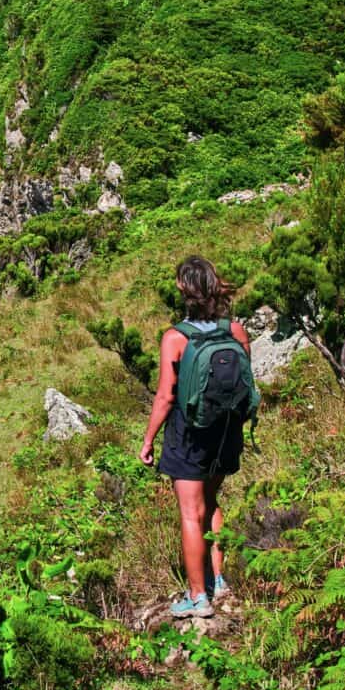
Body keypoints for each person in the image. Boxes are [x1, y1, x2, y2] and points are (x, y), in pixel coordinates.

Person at [139, 255, 252, 619]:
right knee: (212, 500)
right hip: (226, 432)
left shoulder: (175, 338)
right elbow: (245, 380)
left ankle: (198, 597)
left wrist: (148, 440)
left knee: (191, 512)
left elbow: (166, 396)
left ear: (182, 290)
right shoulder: (235, 330)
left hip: (190, 434)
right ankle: (220, 581)